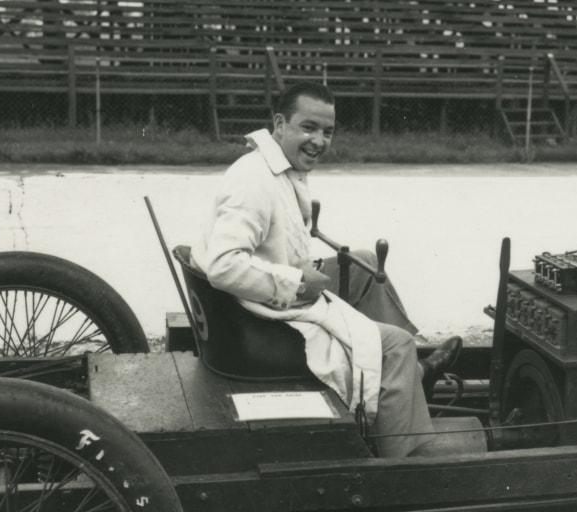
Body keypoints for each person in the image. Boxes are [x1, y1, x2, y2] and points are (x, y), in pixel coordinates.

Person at [192, 81, 462, 458]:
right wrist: (300, 280)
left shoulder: (275, 166)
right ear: (280, 123)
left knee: (365, 264)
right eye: (309, 127)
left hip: (266, 293)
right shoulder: (254, 182)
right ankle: (399, 457)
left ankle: (403, 382)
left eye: (328, 131)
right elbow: (224, 265)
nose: (319, 140)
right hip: (262, 318)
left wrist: (299, 272)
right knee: (397, 346)